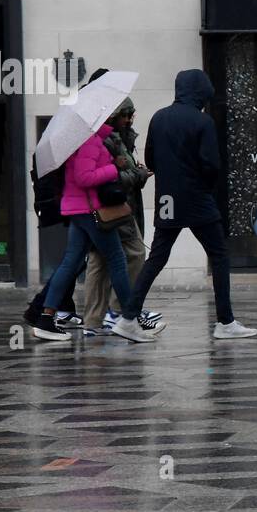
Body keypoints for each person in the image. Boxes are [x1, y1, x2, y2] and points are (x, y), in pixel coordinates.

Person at [119, 69, 257, 340]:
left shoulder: (159, 118)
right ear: (200, 92)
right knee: (218, 255)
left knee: (157, 257)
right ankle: (225, 322)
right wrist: (206, 188)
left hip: (167, 198)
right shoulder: (202, 121)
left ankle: (128, 318)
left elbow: (151, 159)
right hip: (197, 199)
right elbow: (211, 165)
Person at [31, 120, 144, 343]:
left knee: (70, 263)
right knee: (117, 259)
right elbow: (84, 177)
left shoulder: (86, 139)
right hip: (90, 209)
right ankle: (130, 319)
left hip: (79, 208)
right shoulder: (88, 141)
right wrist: (115, 167)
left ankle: (46, 319)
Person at [82, 97, 165, 336]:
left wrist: (131, 170)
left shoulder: (116, 137)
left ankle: (97, 319)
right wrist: (137, 174)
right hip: (112, 208)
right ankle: (118, 311)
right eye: (125, 115)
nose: (129, 120)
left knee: (99, 261)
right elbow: (110, 175)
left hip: (111, 207)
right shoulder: (105, 139)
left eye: (131, 115)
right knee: (133, 253)